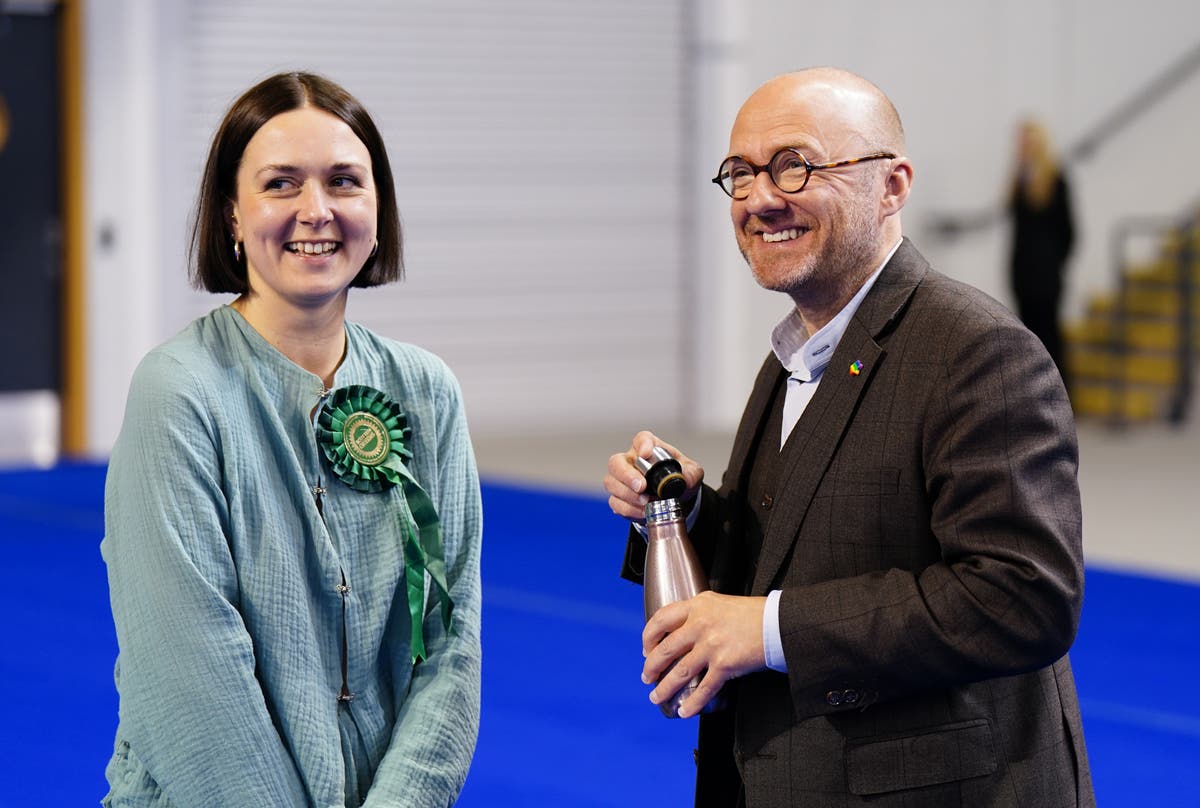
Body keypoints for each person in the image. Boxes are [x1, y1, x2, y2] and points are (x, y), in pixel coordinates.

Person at [604, 68, 1093, 807]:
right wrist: (686, 510)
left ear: (892, 186)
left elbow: (1022, 598)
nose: (761, 198)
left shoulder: (977, 350)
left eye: (795, 165)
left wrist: (768, 629)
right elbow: (799, 543)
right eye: (741, 172)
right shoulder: (799, 350)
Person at [101, 72, 482, 807]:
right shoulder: (179, 392)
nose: (317, 210)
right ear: (232, 215)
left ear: (377, 208)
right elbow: (189, 676)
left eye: (344, 181)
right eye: (281, 183)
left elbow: (449, 643)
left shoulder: (427, 392)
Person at [1008, 118, 1075, 387]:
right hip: (1023, 271)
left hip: (1046, 274)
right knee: (1028, 335)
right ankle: (1035, 393)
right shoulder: (1019, 180)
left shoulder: (1055, 179)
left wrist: (1053, 263)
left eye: (1030, 141)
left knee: (1049, 334)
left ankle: (1060, 391)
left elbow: (1069, 231)